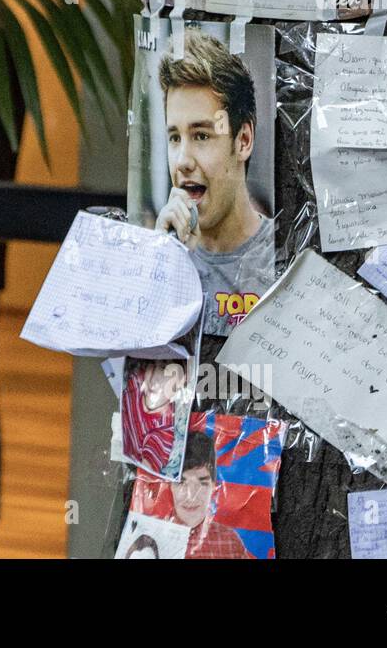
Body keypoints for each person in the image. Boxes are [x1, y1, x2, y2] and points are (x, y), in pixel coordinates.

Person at [154, 30, 273, 343]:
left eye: (202, 136)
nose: (182, 161)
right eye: (175, 138)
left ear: (243, 140)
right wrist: (161, 265)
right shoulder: (160, 257)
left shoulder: (284, 262)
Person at [171, 430, 251, 558]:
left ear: (213, 486)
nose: (191, 496)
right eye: (181, 483)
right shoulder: (149, 534)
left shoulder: (230, 542)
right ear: (170, 486)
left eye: (202, 484)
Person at [121, 359, 189, 477]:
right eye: (152, 365)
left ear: (181, 382)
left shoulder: (163, 431)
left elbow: (146, 473)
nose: (154, 378)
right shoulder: (137, 382)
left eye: (165, 370)